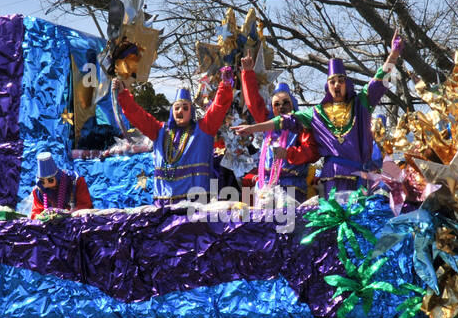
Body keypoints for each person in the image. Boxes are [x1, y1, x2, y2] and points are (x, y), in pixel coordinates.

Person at [233, 36, 403, 197]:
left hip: (354, 175)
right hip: (329, 175)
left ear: (347, 83)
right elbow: (282, 120)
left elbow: (378, 82)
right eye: (332, 81)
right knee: (333, 222)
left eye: (341, 80)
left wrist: (393, 56)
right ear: (327, 86)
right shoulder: (317, 113)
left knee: (357, 219)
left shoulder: (361, 103)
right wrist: (252, 128)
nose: (337, 85)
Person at [115, 68, 234, 206]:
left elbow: (218, 108)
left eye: (185, 107)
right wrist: (123, 94)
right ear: (172, 111)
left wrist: (225, 85)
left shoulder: (203, 129)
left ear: (192, 112)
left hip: (195, 206)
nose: (180, 111)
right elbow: (138, 116)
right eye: (177, 107)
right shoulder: (159, 131)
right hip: (164, 204)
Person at [239, 55, 320, 202]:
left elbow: (310, 153)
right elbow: (254, 103)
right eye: (277, 104)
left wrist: (288, 154)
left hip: (292, 186)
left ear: (292, 105)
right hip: (265, 187)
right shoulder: (268, 124)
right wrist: (248, 73)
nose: (281, 106)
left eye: (285, 103)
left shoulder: (301, 126)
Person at [29, 152, 93, 218]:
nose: (47, 185)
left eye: (50, 180)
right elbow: (36, 213)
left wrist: (68, 214)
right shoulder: (38, 190)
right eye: (42, 182)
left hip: (75, 221)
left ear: (57, 176)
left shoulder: (76, 180)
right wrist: (44, 217)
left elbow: (85, 205)